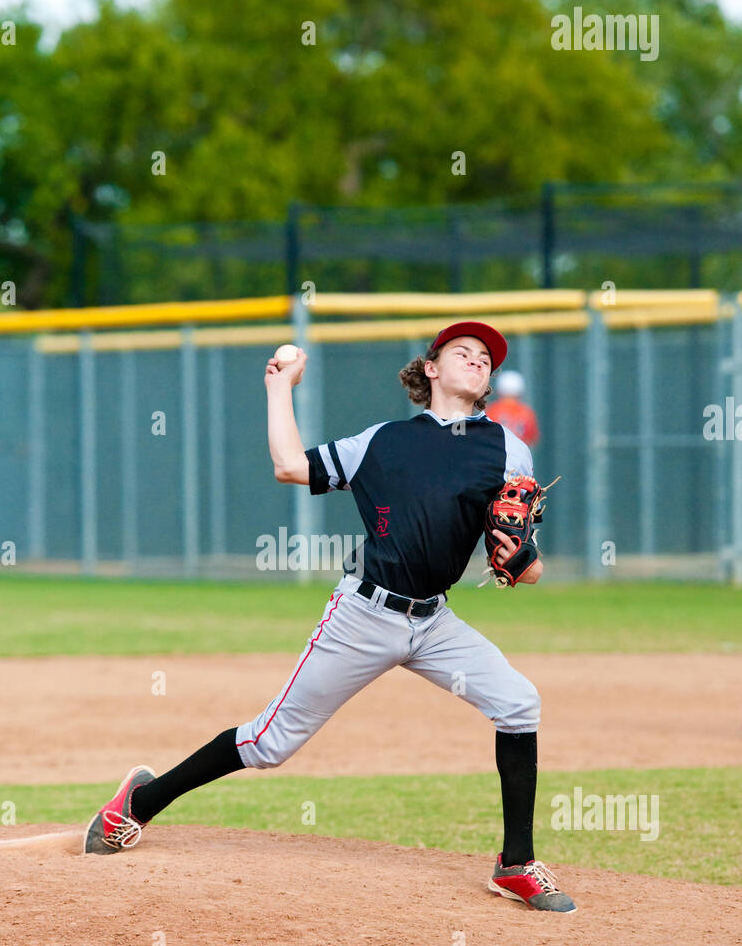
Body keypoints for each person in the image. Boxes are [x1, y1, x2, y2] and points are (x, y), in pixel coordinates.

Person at [84, 321, 575, 914]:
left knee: (519, 703)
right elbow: (291, 465)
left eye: (485, 359)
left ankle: (515, 865)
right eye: (461, 352)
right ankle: (134, 806)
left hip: (435, 622)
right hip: (364, 615)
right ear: (430, 370)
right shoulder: (384, 441)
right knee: (270, 743)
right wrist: (279, 386)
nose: (476, 361)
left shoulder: (507, 448)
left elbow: (528, 569)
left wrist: (523, 561)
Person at [486, 368, 540, 447]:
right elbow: (532, 438)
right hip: (519, 456)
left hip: (495, 455)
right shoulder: (526, 412)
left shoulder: (492, 410)